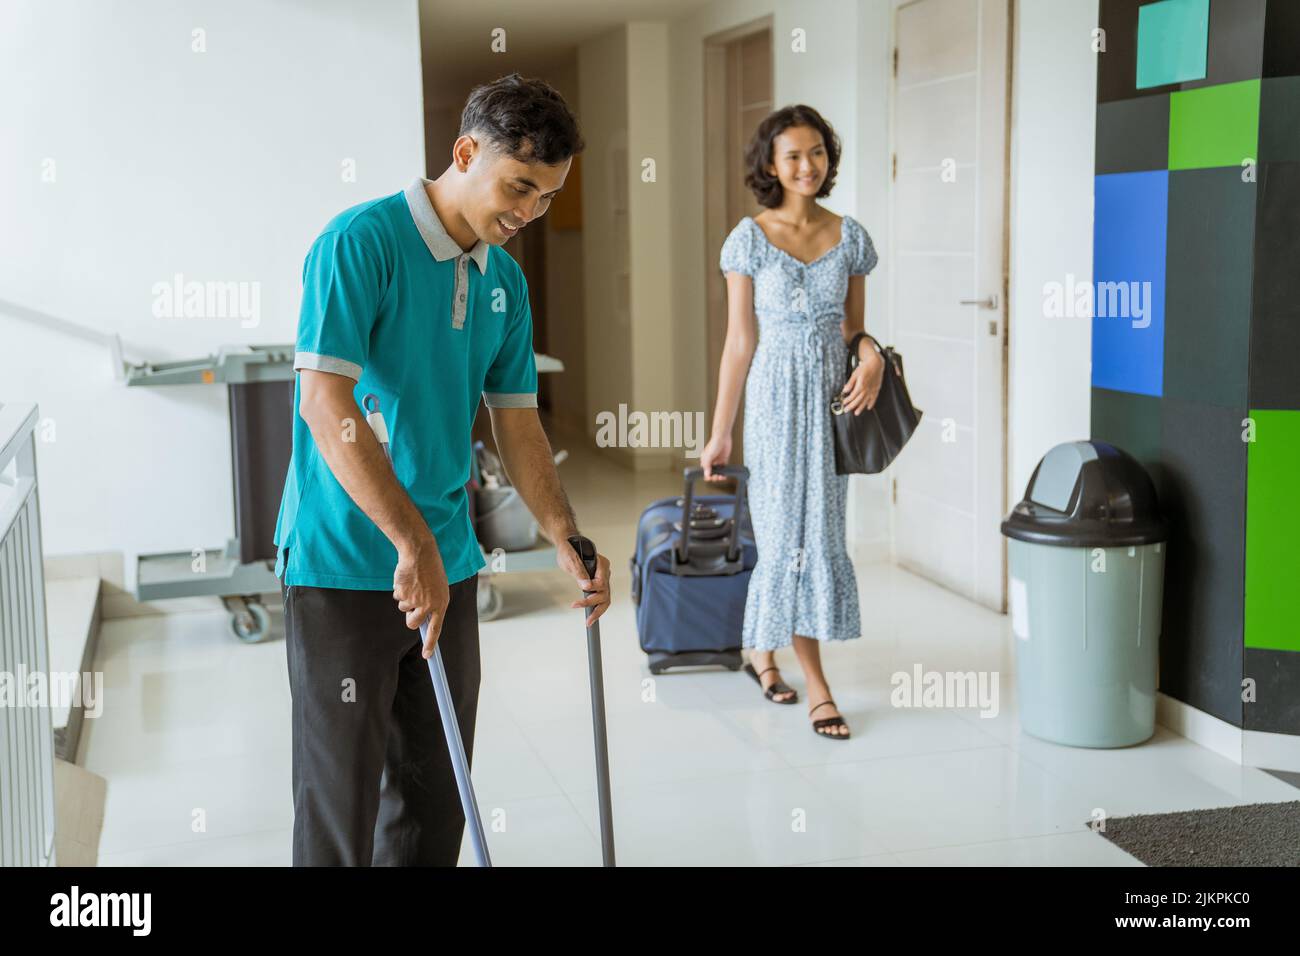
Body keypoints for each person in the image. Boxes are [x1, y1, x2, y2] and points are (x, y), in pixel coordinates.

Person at [272, 73, 611, 865]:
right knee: (339, 803)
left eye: (547, 197)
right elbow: (327, 404)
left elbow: (517, 418)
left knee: (434, 799)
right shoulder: (361, 242)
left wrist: (563, 532)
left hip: (449, 564)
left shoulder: (504, 279)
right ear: (464, 153)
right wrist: (408, 541)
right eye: (519, 186)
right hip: (342, 564)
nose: (528, 213)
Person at [700, 105, 883, 741]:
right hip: (775, 405)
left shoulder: (850, 236)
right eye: (793, 156)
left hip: (833, 407)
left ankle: (762, 651)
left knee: (821, 535)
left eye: (817, 153)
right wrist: (721, 430)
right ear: (771, 166)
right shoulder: (747, 240)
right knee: (786, 543)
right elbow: (739, 343)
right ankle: (820, 688)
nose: (807, 166)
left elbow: (852, 328)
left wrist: (872, 355)